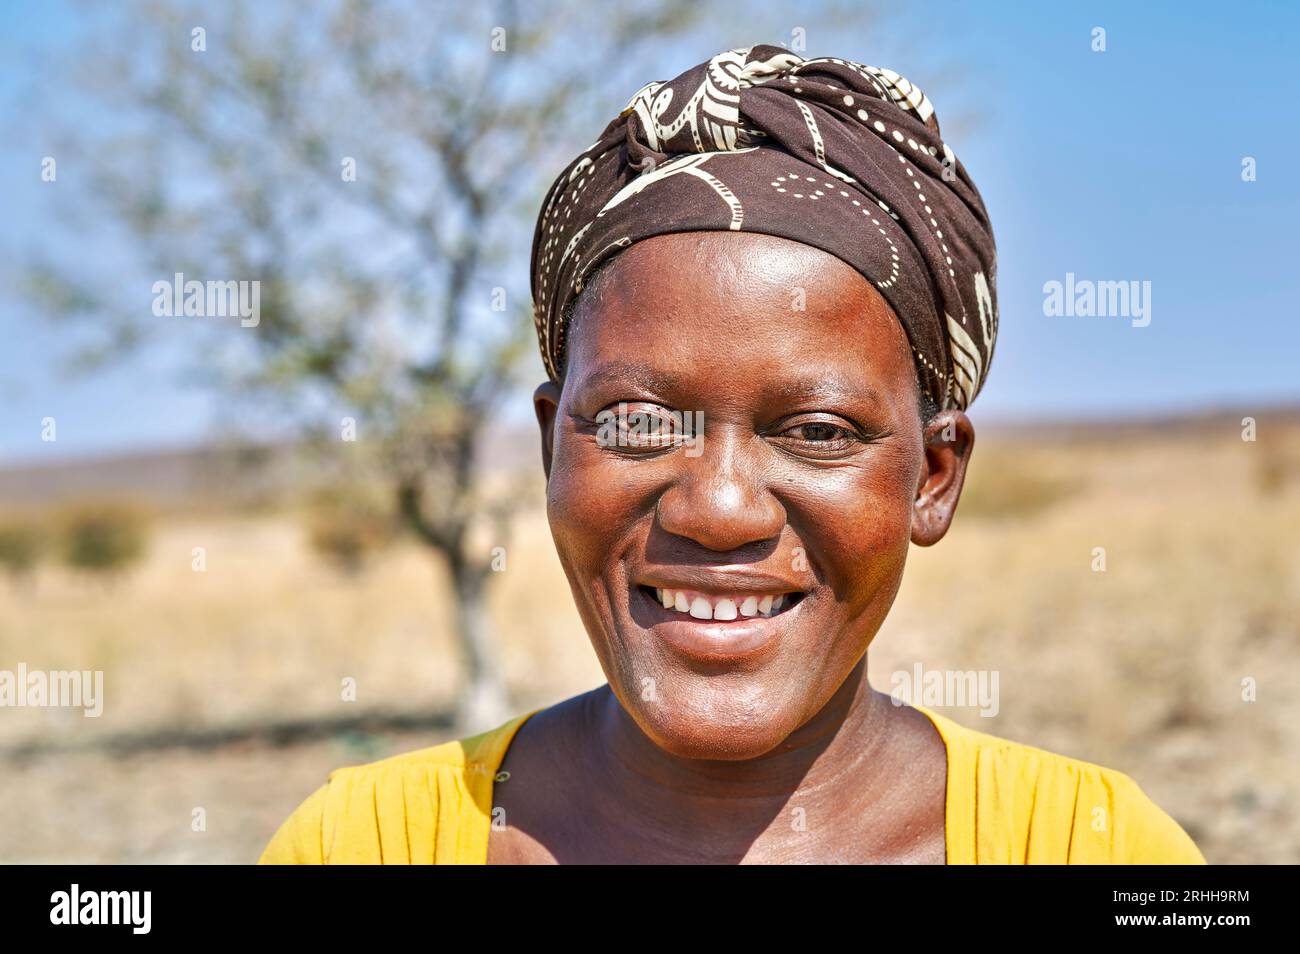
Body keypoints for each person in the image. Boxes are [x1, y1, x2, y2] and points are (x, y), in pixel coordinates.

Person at [259, 45, 1206, 864]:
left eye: (819, 433)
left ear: (932, 475)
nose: (718, 510)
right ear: (555, 446)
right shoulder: (369, 844)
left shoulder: (1092, 847)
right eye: (635, 422)